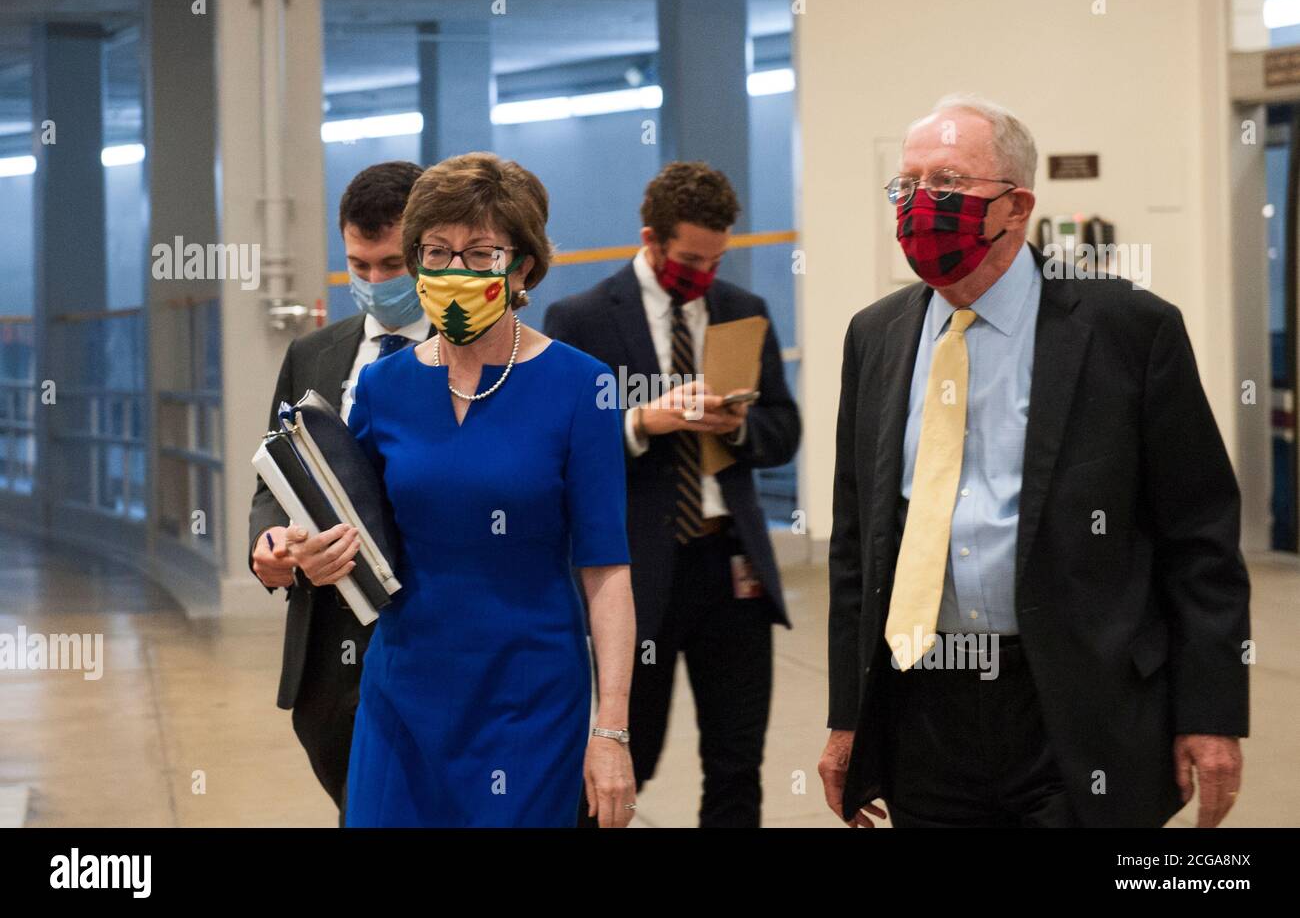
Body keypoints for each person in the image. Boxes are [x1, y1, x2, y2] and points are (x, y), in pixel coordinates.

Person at [820, 94, 1251, 828]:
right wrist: (847, 717)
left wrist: (1211, 713)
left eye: (948, 184)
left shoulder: (1127, 329)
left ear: (1016, 207)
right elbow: (858, 544)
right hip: (927, 703)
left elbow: (1199, 536)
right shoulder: (877, 336)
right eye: (907, 184)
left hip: (1079, 702)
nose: (920, 204)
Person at [314, 152, 637, 827]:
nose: (453, 272)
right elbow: (352, 524)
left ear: (522, 267)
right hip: (401, 695)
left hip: (527, 703)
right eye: (436, 251)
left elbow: (606, 570)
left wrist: (611, 731)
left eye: (479, 252)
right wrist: (305, 548)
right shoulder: (384, 387)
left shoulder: (580, 387)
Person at [545, 161, 801, 827]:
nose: (704, 273)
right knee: (623, 763)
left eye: (717, 259)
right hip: (637, 575)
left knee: (737, 762)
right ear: (650, 238)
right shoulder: (580, 319)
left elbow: (785, 430)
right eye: (691, 258)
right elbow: (557, 452)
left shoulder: (744, 311)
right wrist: (640, 422)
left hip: (733, 568)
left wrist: (741, 424)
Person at [247, 160, 429, 825]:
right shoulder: (314, 354)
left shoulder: (471, 356)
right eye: (359, 264)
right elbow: (276, 474)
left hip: (424, 634)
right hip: (327, 654)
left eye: (391, 264)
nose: (376, 282)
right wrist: (270, 546)